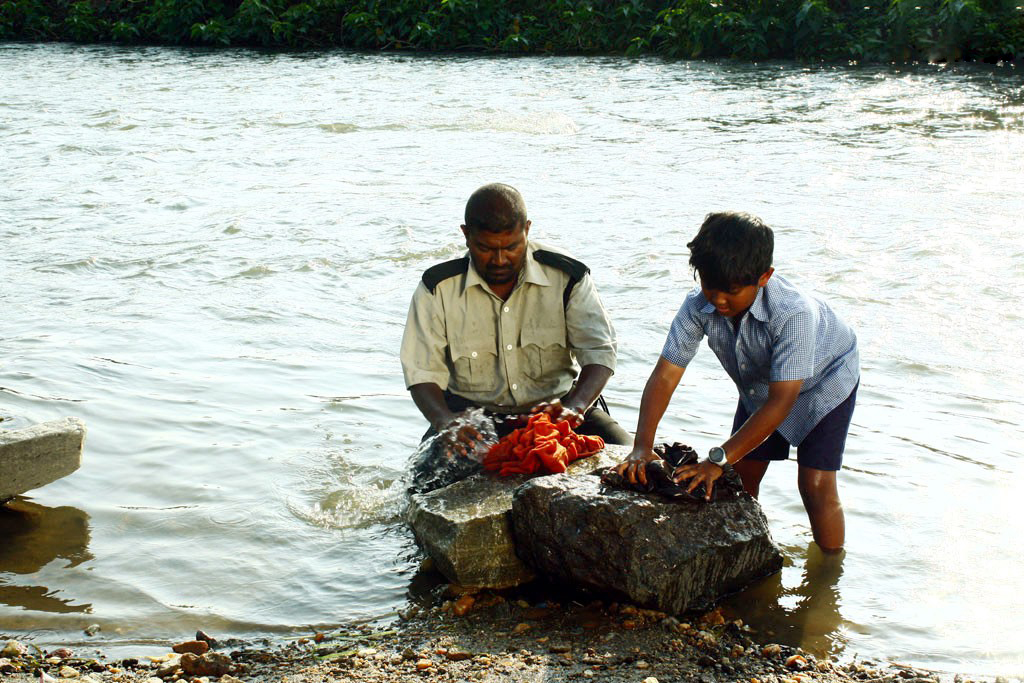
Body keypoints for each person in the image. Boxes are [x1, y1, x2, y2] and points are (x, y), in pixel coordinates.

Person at [614, 212, 859, 553]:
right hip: (761, 385)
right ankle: (750, 557)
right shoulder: (697, 306)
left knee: (814, 484)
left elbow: (781, 402)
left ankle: (830, 570)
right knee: (741, 477)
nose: (718, 301)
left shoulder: (794, 314)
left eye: (731, 291)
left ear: (764, 277)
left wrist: (716, 459)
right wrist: (642, 446)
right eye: (709, 287)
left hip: (826, 379)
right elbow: (666, 374)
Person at [401, 183, 630, 488]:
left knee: (631, 465)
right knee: (421, 486)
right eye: (485, 248)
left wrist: (576, 407)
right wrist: (444, 421)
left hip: (558, 411)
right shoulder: (438, 288)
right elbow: (421, 373)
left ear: (527, 230)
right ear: (466, 235)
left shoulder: (567, 276)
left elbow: (600, 353)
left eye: (511, 247)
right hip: (471, 421)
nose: (499, 259)